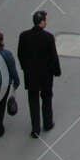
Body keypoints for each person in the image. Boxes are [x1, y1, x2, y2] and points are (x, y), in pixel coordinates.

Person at [16, 9, 61, 139]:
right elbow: (53, 57)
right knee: (47, 98)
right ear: (41, 22)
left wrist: (25, 68)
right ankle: (47, 123)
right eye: (45, 20)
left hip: (31, 75)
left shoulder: (24, 36)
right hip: (46, 75)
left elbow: (20, 54)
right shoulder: (48, 37)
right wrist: (56, 71)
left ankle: (35, 129)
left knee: (33, 100)